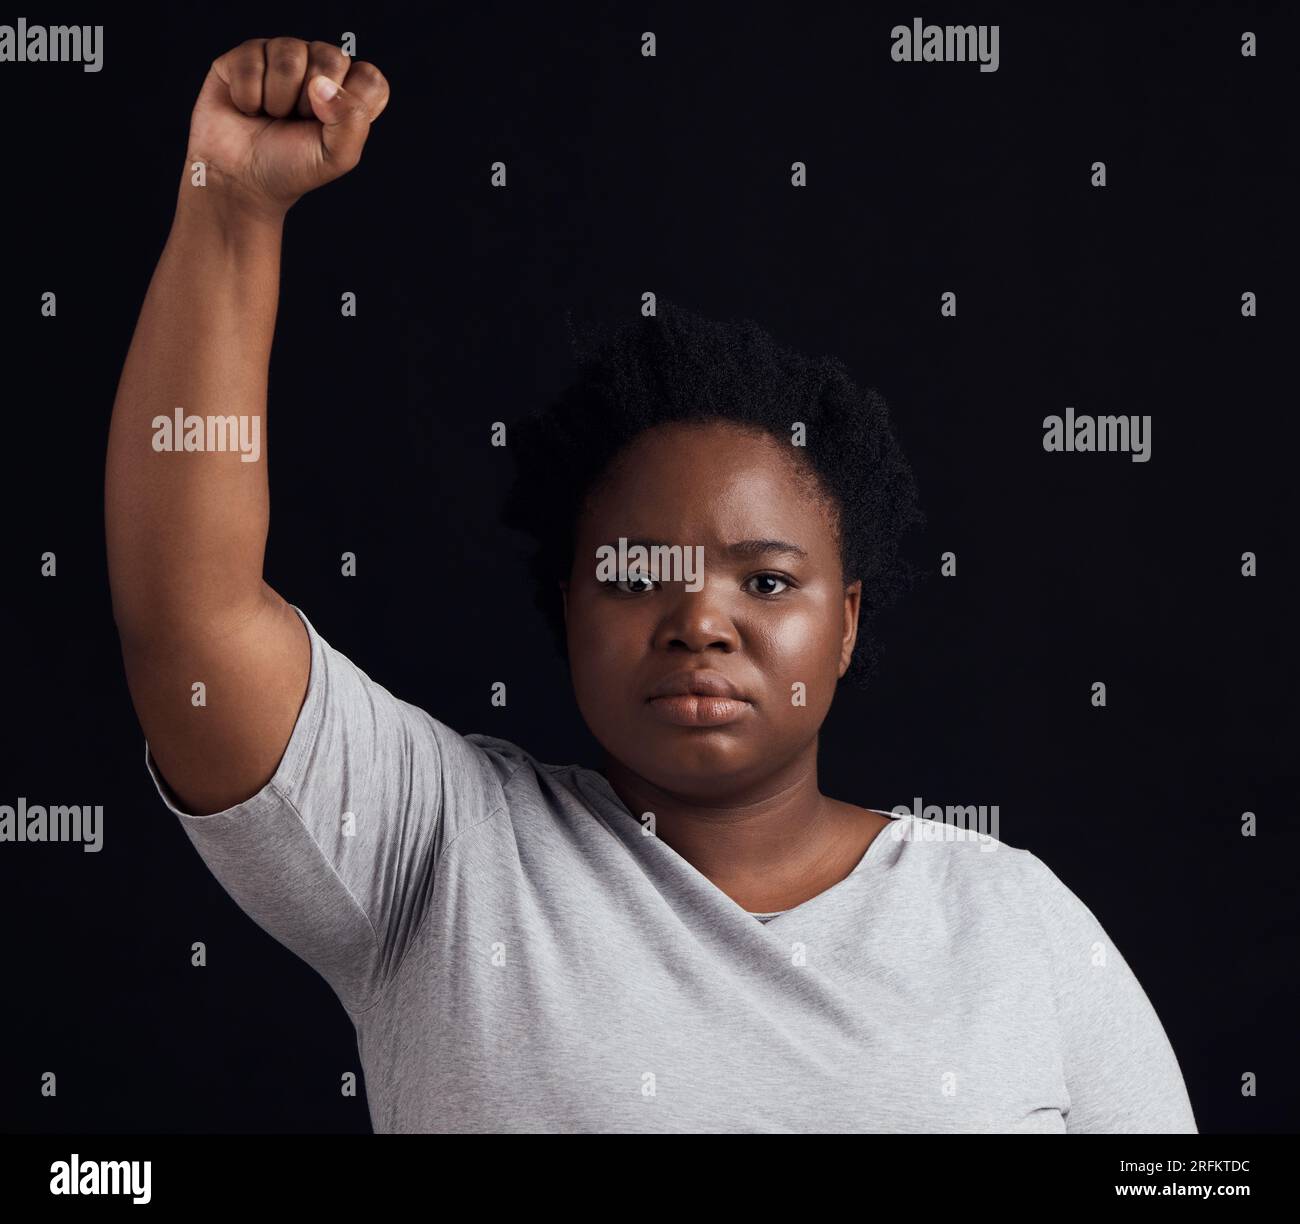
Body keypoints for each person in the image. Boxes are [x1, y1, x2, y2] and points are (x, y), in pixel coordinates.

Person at [105, 35, 1198, 1134]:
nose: (700, 622)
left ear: (847, 624)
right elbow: (188, 621)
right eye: (637, 575)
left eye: (766, 582)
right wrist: (232, 211)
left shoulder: (1010, 919)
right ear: (569, 604)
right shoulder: (443, 852)